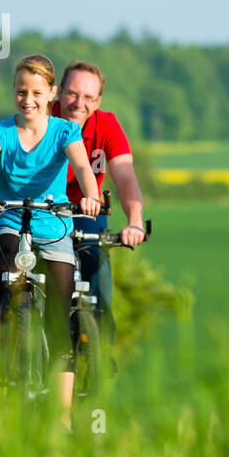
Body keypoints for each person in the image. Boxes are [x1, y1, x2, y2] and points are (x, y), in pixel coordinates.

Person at [0, 55, 101, 431]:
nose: (28, 99)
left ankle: (63, 416)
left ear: (51, 94)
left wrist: (90, 194)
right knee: (0, 272)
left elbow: (82, 166)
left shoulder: (65, 131)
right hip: (11, 217)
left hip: (55, 226)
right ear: (13, 93)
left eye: (37, 92)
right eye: (21, 92)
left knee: (59, 318)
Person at [51, 60, 147, 348]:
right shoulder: (41, 118)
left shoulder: (105, 125)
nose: (79, 104)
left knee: (97, 264)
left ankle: (100, 344)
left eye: (89, 97)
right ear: (58, 93)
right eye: (72, 94)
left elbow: (126, 177)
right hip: (44, 208)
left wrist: (135, 221)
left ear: (98, 101)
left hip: (85, 208)